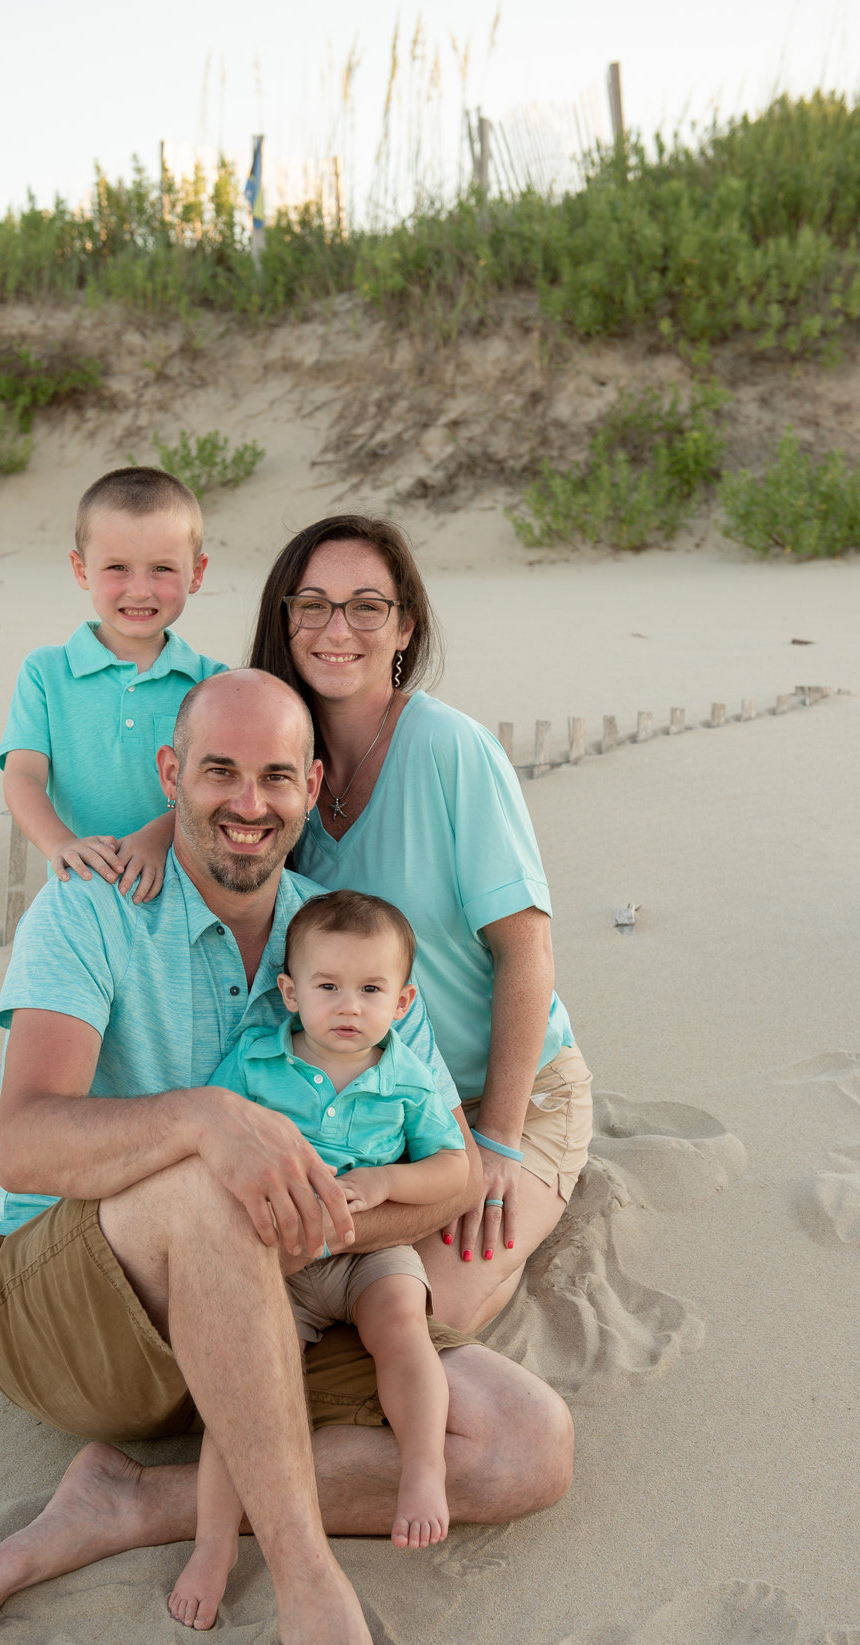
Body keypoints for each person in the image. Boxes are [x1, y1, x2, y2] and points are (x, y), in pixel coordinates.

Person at [0, 671, 574, 1645]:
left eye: (276, 774)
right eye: (219, 771)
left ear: (311, 784)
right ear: (170, 777)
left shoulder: (340, 939)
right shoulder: (91, 906)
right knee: (210, 1181)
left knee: (525, 1443)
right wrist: (201, 1117)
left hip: (272, 1300)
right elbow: (24, 1138)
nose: (248, 801)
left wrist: (329, 1208)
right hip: (77, 1308)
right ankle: (313, 1610)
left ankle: (139, 1498)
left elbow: (452, 1170)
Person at [248, 516, 594, 1336]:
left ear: (404, 626)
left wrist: (498, 1143)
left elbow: (527, 951)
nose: (338, 630)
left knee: (425, 1314)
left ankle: (162, 1478)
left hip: (511, 1097)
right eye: (314, 605)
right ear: (283, 619)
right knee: (275, 1294)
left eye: (367, 607)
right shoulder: (282, 768)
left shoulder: (449, 749)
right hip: (379, 1113)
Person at [169, 889, 470, 1632]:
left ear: (401, 1001)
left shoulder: (406, 1078)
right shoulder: (255, 1060)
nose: (347, 1006)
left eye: (369, 990)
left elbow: (454, 1170)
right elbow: (208, 1147)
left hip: (372, 1249)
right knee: (246, 1378)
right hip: (285, 1262)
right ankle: (213, 1544)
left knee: (401, 1323)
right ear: (289, 992)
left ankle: (422, 1467)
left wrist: (390, 1181)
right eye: (327, 986)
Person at [0, 465, 225, 898]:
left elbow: (220, 791)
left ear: (196, 573)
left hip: (187, 894)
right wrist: (61, 843)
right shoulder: (46, 673)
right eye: (117, 567)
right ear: (81, 569)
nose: (139, 590)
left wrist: (158, 837)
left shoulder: (213, 684)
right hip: (83, 891)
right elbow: (23, 778)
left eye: (162, 569)